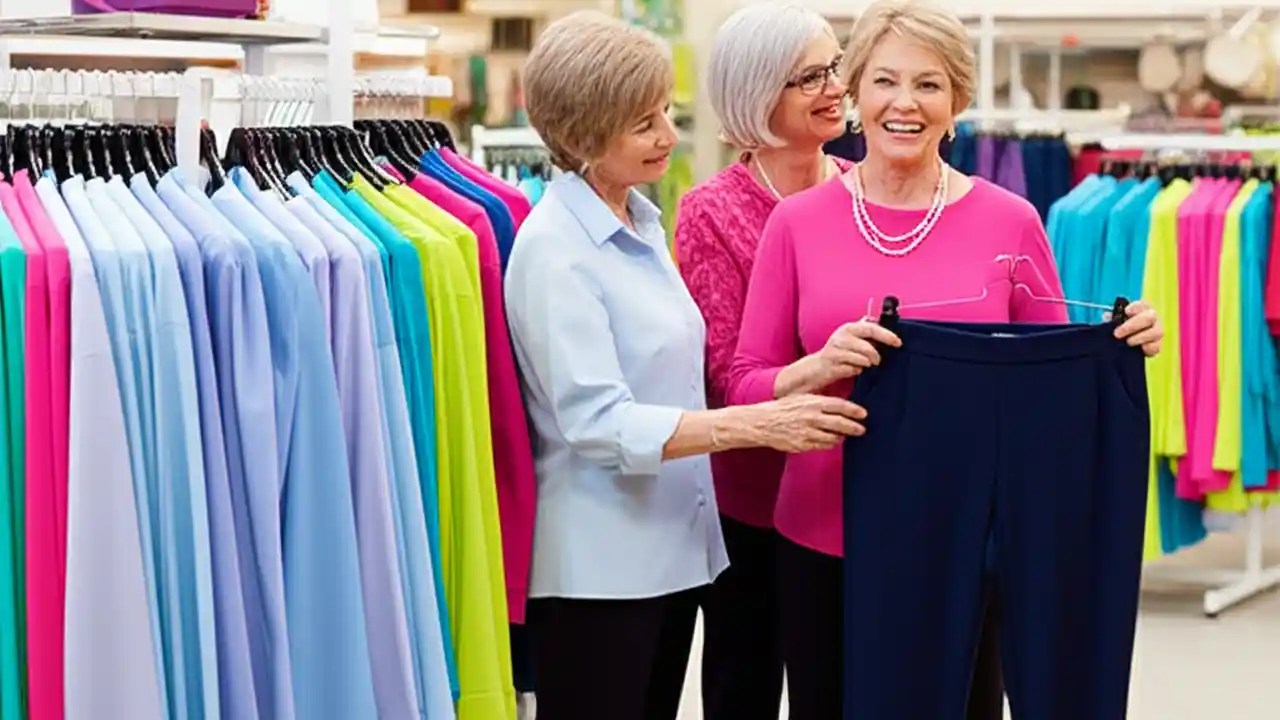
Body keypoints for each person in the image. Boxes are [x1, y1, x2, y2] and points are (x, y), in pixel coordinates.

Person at [724, 1, 1165, 718]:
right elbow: (744, 385)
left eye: (929, 85)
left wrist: (1123, 340)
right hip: (822, 538)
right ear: (856, 94)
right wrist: (818, 366)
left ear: (957, 102)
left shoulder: (1009, 221)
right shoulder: (796, 223)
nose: (905, 103)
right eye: (885, 81)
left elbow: (1047, 382)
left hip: (961, 546)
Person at [503, 11, 869, 720]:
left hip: (668, 559)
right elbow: (597, 423)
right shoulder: (556, 249)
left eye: (665, 112)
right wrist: (759, 421)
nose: (670, 136)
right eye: (645, 124)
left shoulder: (638, 224)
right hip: (600, 574)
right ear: (583, 134)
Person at [672, 4, 852, 719]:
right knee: (744, 679)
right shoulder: (711, 211)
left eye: (836, 66)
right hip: (753, 495)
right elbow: (724, 372)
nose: (835, 87)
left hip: (847, 485)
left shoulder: (862, 192)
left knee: (836, 683)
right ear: (757, 94)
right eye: (810, 76)